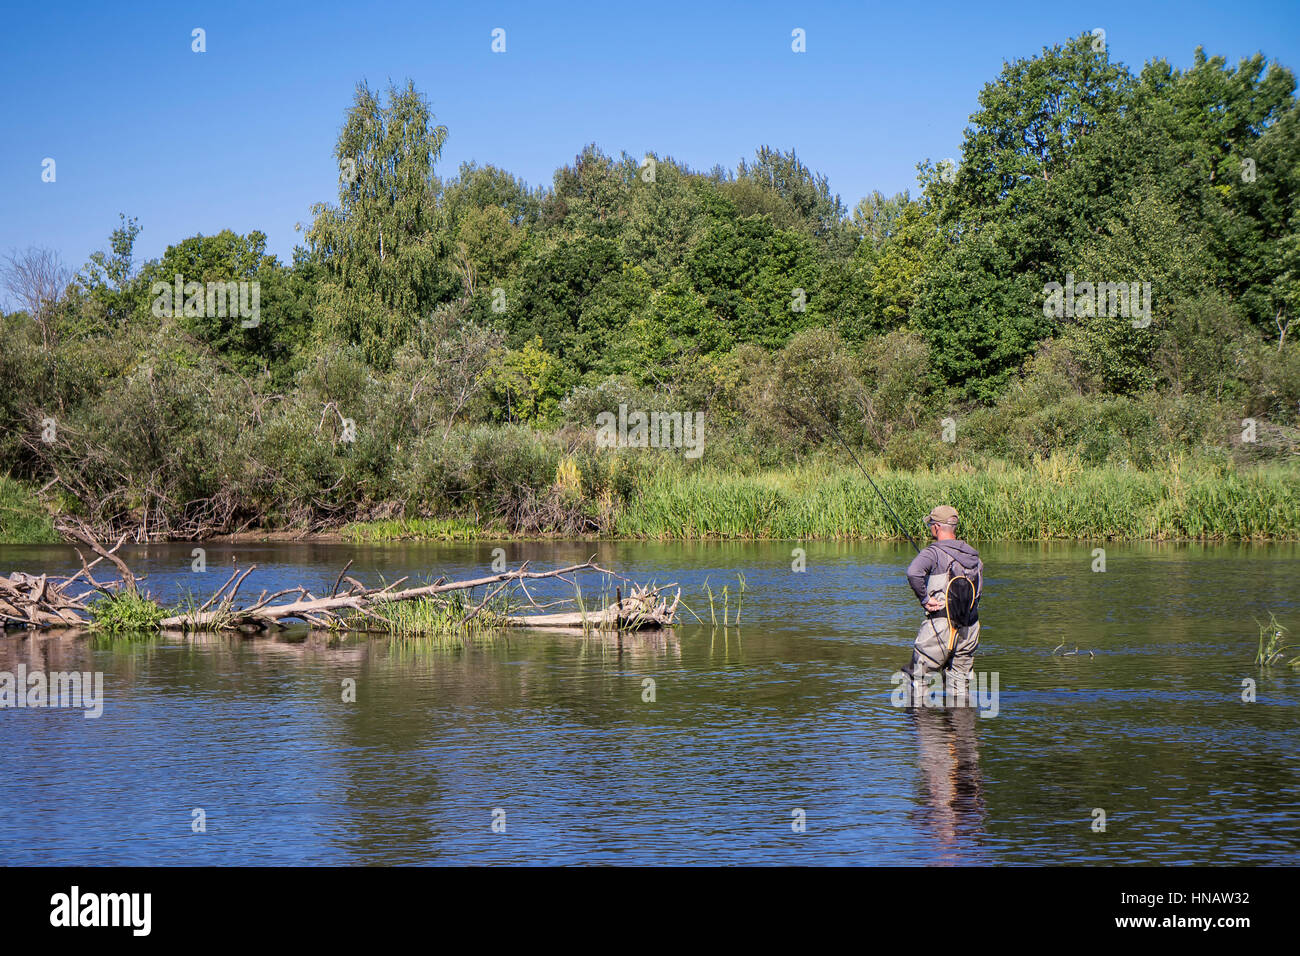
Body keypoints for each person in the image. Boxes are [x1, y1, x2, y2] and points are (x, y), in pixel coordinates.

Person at [902, 505, 983, 701]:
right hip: (969, 628)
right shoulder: (974, 556)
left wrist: (925, 599)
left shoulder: (933, 552)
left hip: (940, 626)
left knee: (916, 681)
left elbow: (913, 572)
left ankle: (925, 729)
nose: (930, 528)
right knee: (960, 687)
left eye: (931, 524)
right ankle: (961, 729)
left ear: (937, 527)